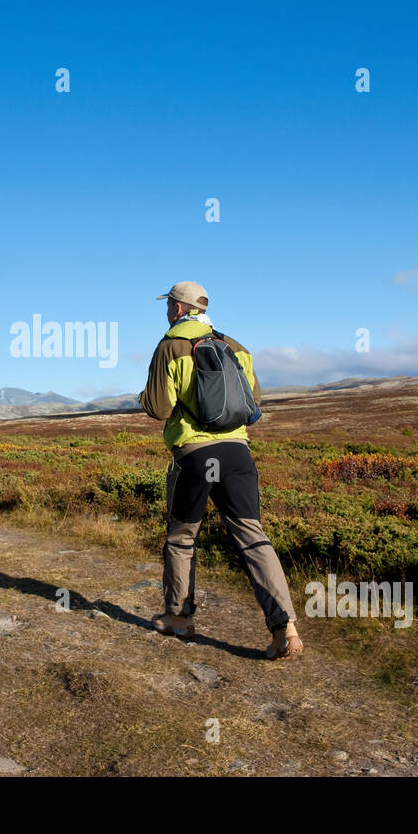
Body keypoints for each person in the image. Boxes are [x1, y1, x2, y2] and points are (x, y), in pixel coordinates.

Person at [137, 281, 304, 659]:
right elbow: (253, 403)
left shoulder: (170, 347)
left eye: (168, 306)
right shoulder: (236, 346)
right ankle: (285, 628)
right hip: (238, 454)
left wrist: (145, 398)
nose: (166, 312)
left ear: (179, 308)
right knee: (253, 537)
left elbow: (160, 408)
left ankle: (179, 617)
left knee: (182, 538)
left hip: (195, 455)